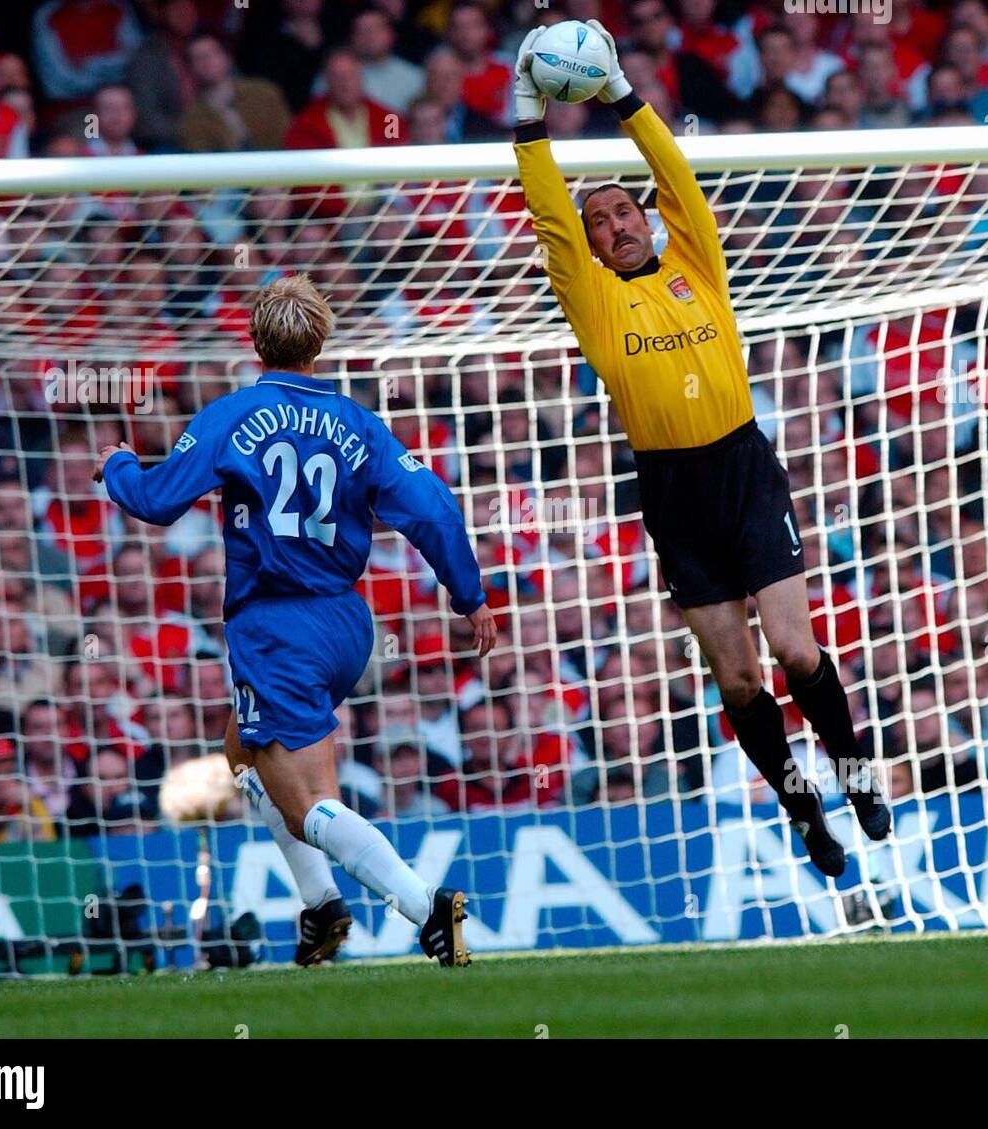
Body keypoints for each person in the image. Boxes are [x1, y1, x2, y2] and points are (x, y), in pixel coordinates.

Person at [511, 22, 891, 878]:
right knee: (740, 681)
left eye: (622, 212)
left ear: (645, 222)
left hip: (744, 468)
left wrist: (619, 96)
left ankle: (858, 772)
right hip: (675, 492)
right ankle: (802, 807)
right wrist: (529, 122)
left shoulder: (698, 267)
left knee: (797, 650)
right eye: (598, 222)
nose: (612, 226)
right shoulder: (598, 304)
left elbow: (675, 176)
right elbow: (549, 216)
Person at [96, 275, 496, 967]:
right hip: (346, 623)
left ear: (255, 340)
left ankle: (424, 906)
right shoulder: (360, 421)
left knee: (309, 803)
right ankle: (321, 908)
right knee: (239, 748)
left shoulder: (231, 414)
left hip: (276, 625)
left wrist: (119, 465)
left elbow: (158, 501)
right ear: (322, 340)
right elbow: (431, 507)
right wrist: (469, 594)